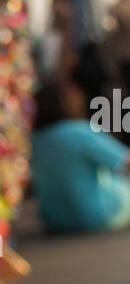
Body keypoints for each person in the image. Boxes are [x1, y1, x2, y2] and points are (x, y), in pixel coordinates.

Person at [30, 81, 130, 232]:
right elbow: (125, 162)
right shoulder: (79, 132)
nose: (81, 98)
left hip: (55, 220)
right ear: (63, 101)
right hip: (94, 217)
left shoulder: (35, 139)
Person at [54, 0, 110, 104]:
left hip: (86, 50)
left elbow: (81, 23)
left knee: (89, 95)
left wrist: (74, 51)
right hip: (96, 47)